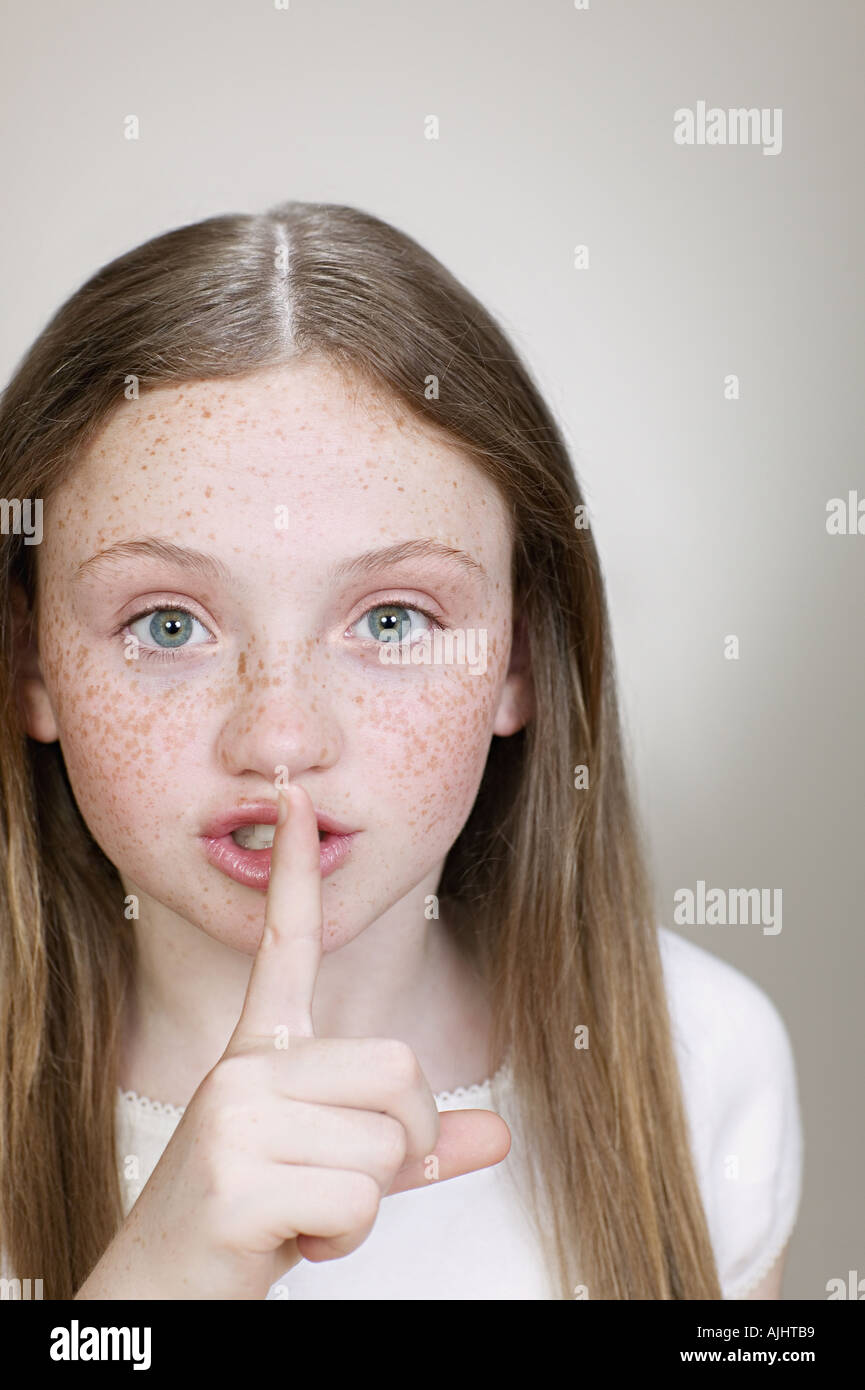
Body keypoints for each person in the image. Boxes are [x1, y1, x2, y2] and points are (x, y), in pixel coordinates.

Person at [0, 200, 802, 1299]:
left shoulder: (706, 1060)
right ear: (31, 664)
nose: (280, 737)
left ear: (518, 659)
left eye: (390, 620)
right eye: (168, 625)